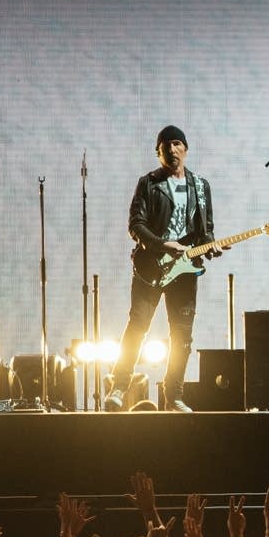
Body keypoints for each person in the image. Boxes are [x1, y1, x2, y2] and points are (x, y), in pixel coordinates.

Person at [104, 125, 221, 413]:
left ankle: (174, 395)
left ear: (185, 149)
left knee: (182, 335)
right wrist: (161, 246)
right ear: (158, 153)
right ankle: (119, 386)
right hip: (151, 266)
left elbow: (205, 230)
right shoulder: (148, 184)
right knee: (138, 326)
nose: (171, 150)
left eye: (177, 144)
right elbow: (136, 224)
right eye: (165, 146)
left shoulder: (201, 187)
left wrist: (211, 245)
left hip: (185, 270)